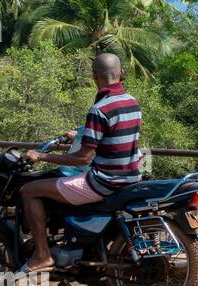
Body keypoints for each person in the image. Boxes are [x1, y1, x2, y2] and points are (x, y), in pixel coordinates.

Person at [19, 53, 143, 274]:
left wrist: (42, 156)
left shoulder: (100, 109)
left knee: (29, 190)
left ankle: (42, 255)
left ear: (95, 77)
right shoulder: (132, 102)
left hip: (103, 182)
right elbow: (113, 135)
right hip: (131, 176)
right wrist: (81, 132)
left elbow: (83, 158)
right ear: (122, 73)